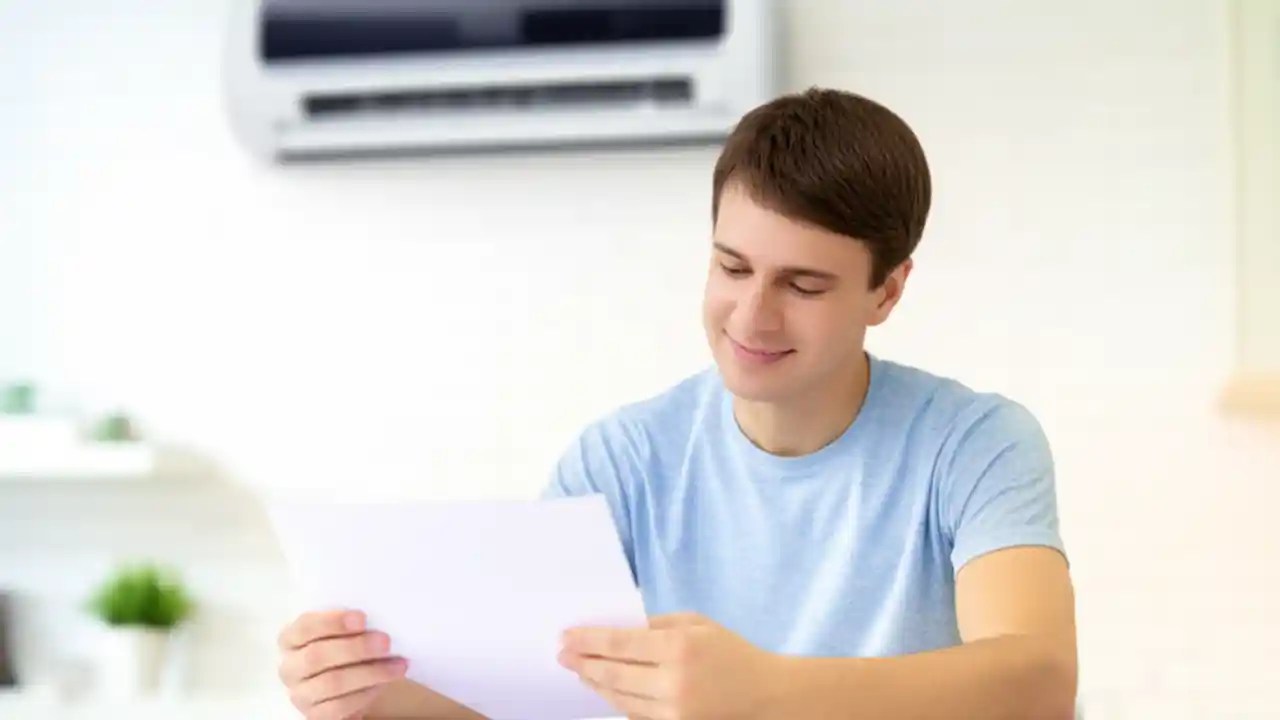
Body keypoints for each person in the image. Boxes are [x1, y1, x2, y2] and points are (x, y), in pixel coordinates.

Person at [274, 87, 1077, 720]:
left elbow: (1036, 680)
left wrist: (761, 694)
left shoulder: (975, 443)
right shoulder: (622, 461)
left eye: (802, 284)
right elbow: (537, 699)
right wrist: (368, 693)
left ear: (887, 291)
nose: (752, 317)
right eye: (732, 268)